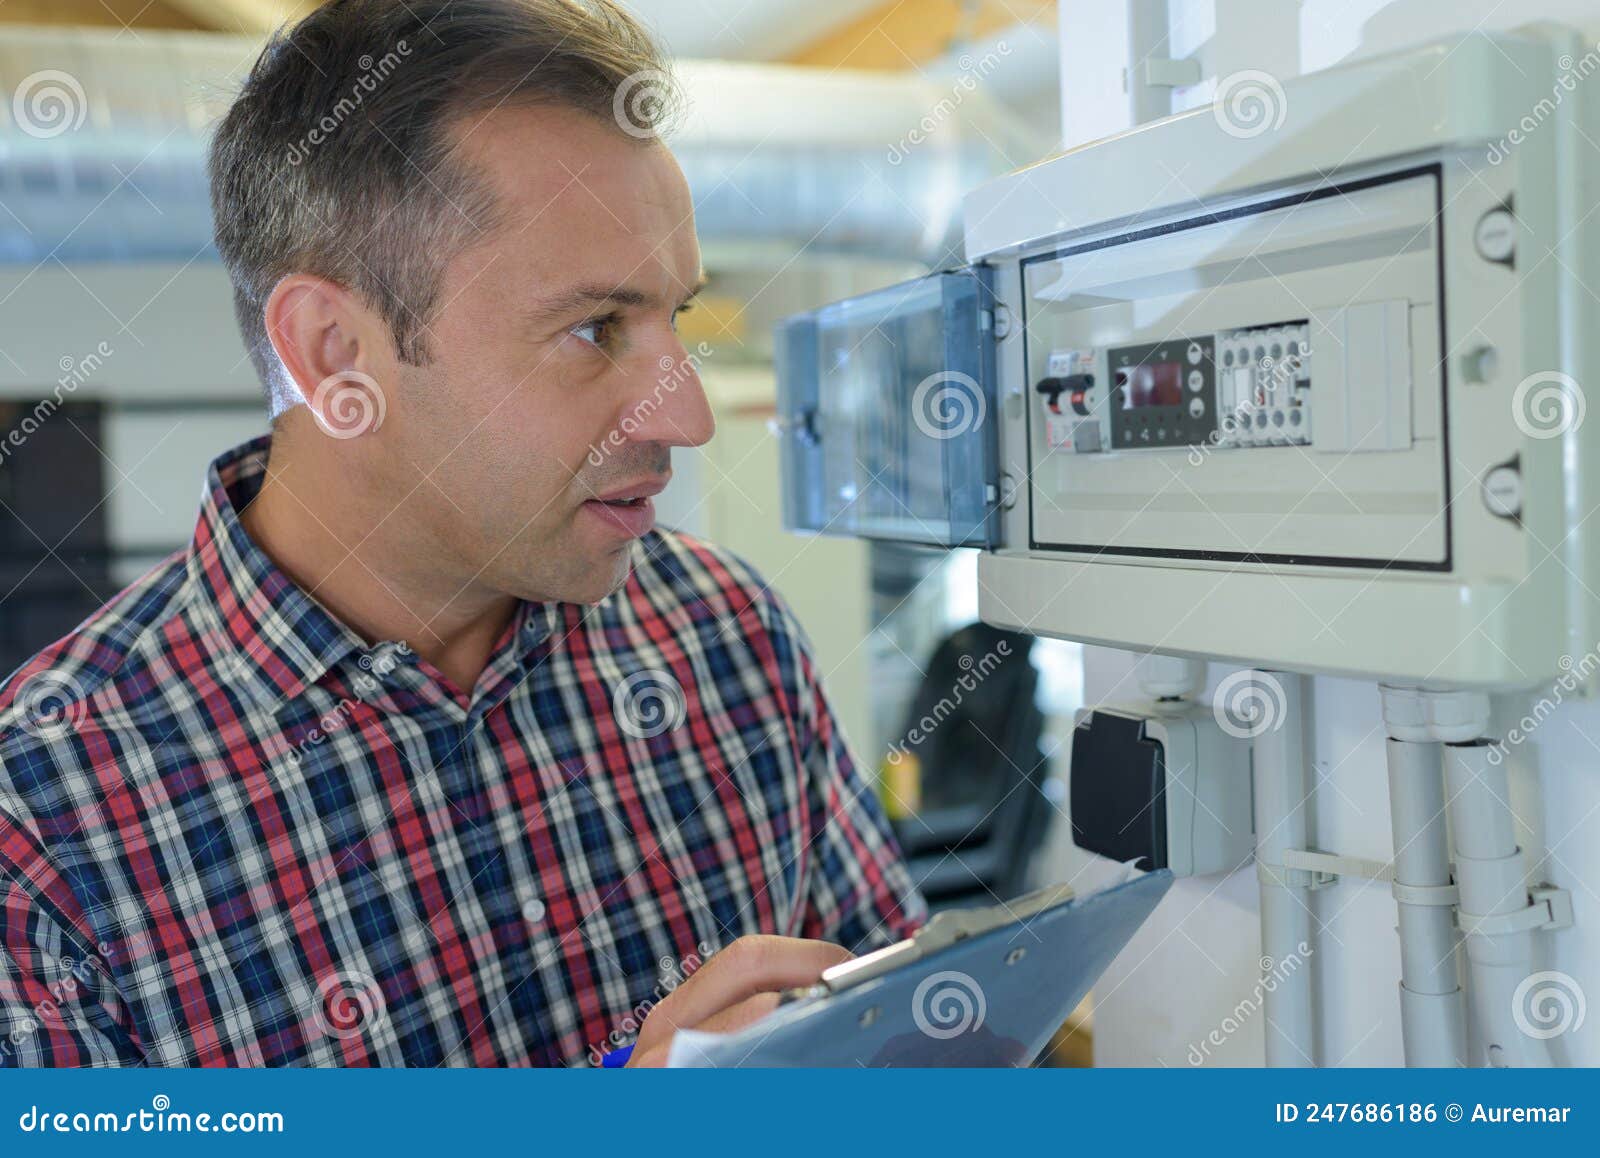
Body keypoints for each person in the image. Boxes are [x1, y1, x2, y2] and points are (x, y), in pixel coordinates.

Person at [0, 0, 924, 1067]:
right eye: (594, 330)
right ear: (336, 355)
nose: (689, 416)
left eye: (675, 318)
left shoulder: (728, 637)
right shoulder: (42, 833)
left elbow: (913, 1043)